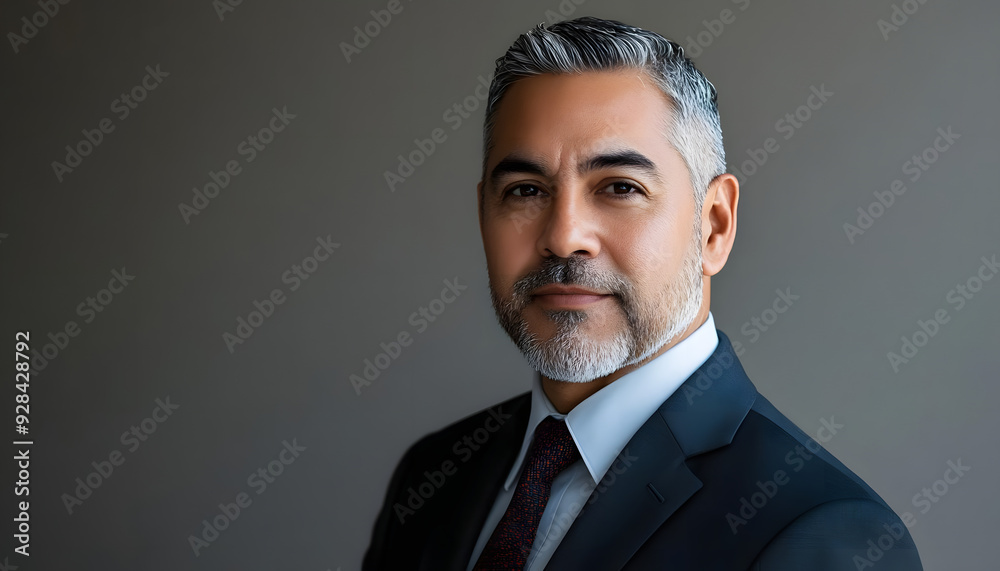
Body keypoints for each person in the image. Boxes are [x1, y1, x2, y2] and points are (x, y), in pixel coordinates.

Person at [362, 16, 922, 570]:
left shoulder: (823, 534)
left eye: (620, 187)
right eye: (526, 190)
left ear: (714, 227)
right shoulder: (434, 475)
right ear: (483, 212)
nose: (563, 237)